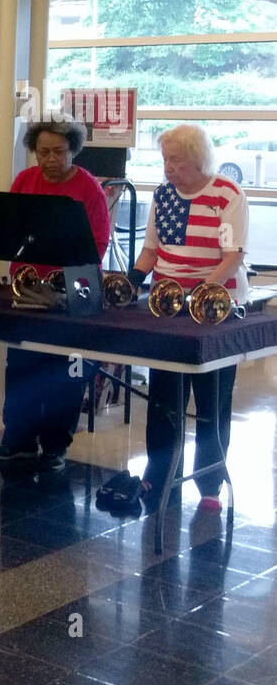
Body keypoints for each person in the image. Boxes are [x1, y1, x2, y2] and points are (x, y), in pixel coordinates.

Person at [130, 124, 247, 512]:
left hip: (214, 306)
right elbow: (151, 253)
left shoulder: (227, 195)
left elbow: (232, 257)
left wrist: (199, 292)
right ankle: (160, 475)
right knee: (164, 397)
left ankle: (210, 484)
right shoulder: (163, 195)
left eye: (176, 160)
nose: (168, 168)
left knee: (212, 400)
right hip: (167, 306)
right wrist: (129, 281)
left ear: (198, 160)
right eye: (165, 159)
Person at [0, 120, 111, 472]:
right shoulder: (25, 181)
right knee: (23, 366)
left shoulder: (87, 188)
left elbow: (98, 244)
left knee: (66, 372)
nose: (51, 159)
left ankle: (56, 446)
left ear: (73, 150)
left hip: (73, 289)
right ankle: (19, 442)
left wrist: (63, 274)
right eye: (43, 152)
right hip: (29, 287)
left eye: (58, 152)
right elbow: (10, 229)